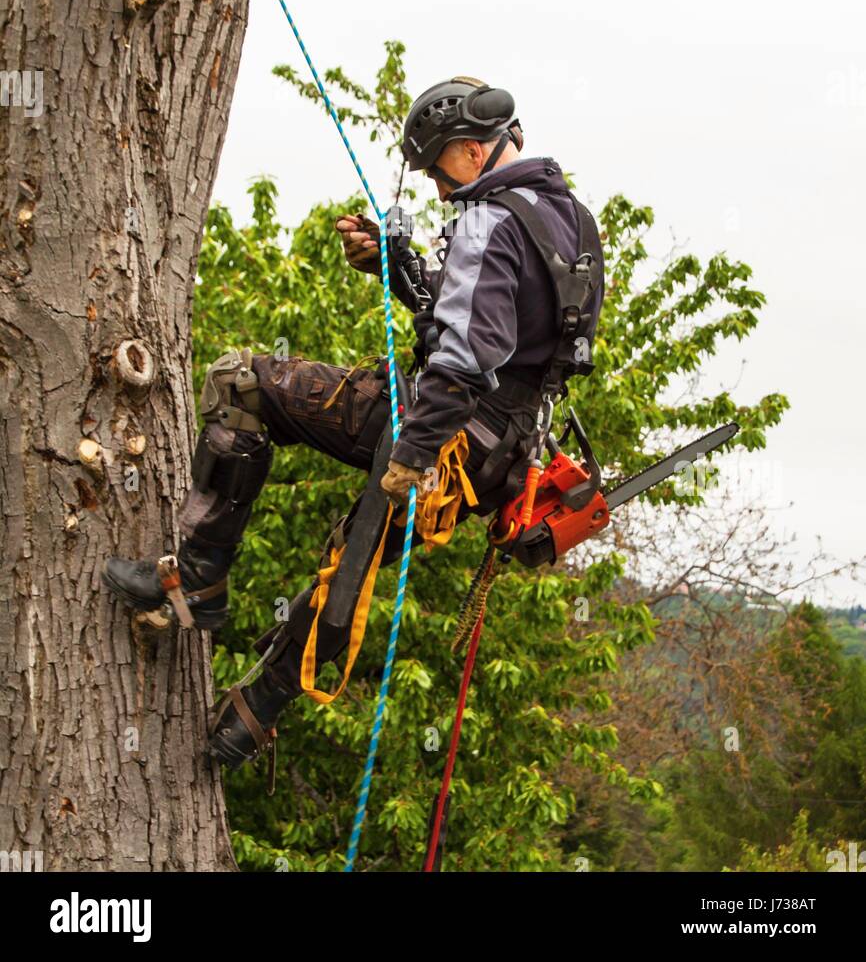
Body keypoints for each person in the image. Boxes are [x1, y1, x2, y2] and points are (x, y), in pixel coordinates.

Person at [102, 76, 604, 773]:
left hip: (442, 433)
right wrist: (394, 268)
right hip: (499, 460)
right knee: (350, 560)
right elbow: (501, 329)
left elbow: (464, 354)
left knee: (241, 382)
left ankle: (198, 577)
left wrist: (412, 454)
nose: (433, 186)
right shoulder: (568, 218)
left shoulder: (489, 220)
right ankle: (244, 724)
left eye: (434, 169)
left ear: (466, 150)